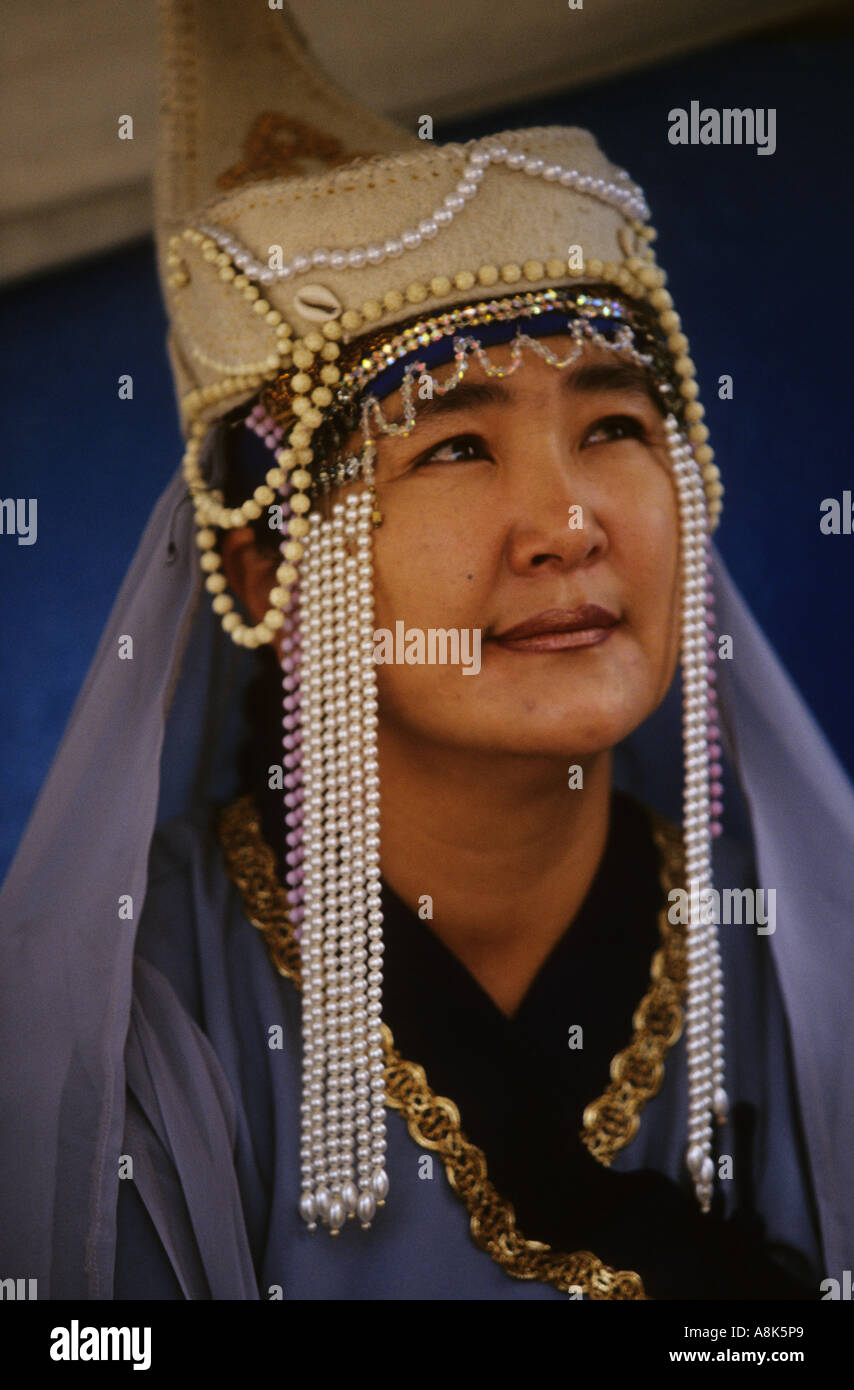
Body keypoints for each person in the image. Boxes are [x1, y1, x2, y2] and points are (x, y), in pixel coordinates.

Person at [1, 0, 852, 1301]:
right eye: (453, 444)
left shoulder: (808, 965)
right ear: (258, 570)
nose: (567, 526)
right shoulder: (120, 1038)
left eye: (615, 425)